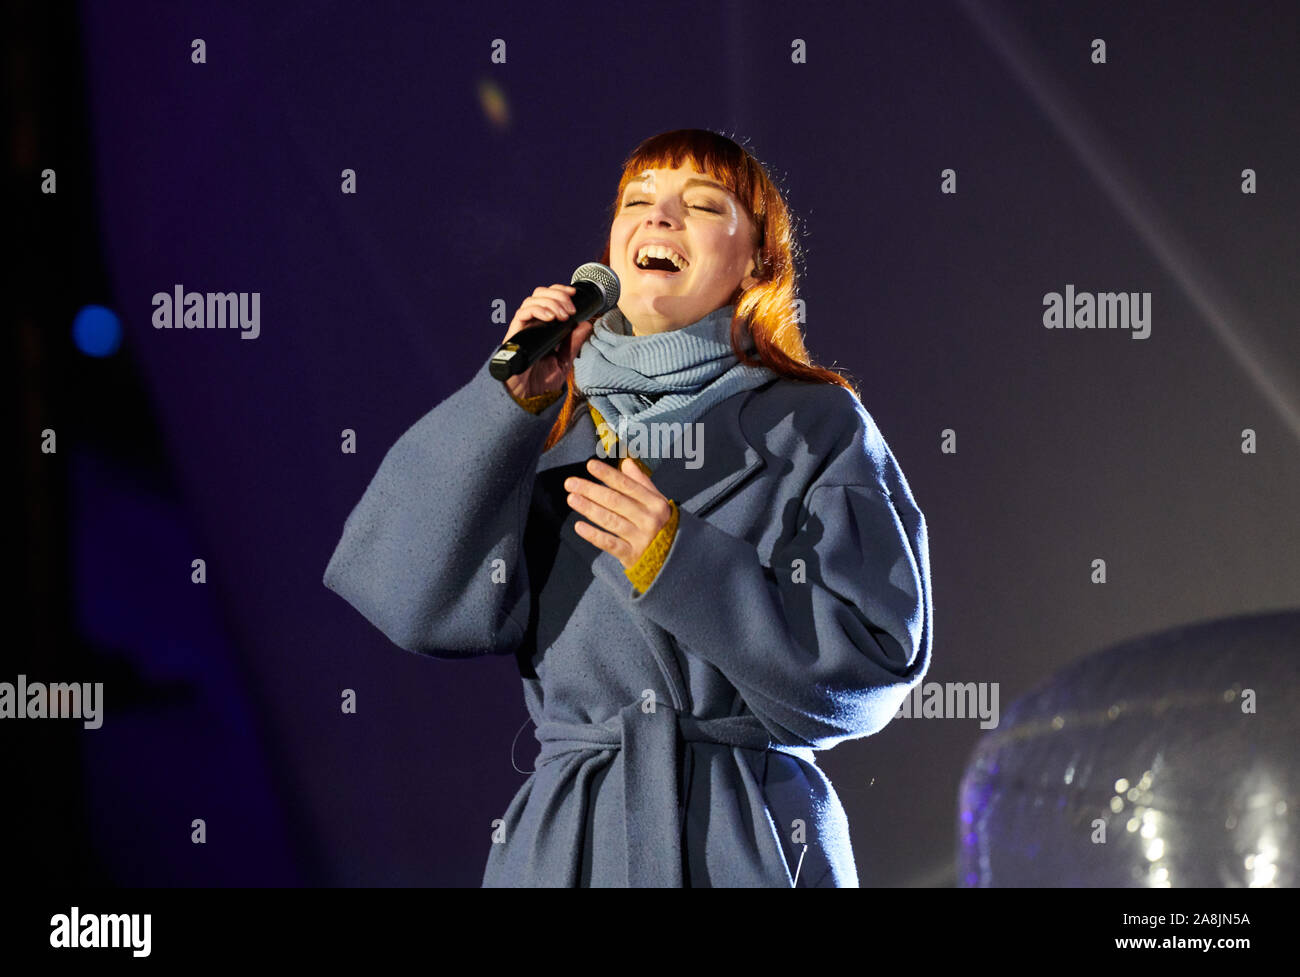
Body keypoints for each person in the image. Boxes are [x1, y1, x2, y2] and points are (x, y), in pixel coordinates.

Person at [323, 128, 933, 887]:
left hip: (748, 834)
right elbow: (404, 595)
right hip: (571, 844)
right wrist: (498, 406)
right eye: (637, 201)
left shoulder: (816, 423)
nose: (660, 217)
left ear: (756, 263)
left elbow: (872, 664)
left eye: (703, 205)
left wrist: (680, 562)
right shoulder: (544, 421)